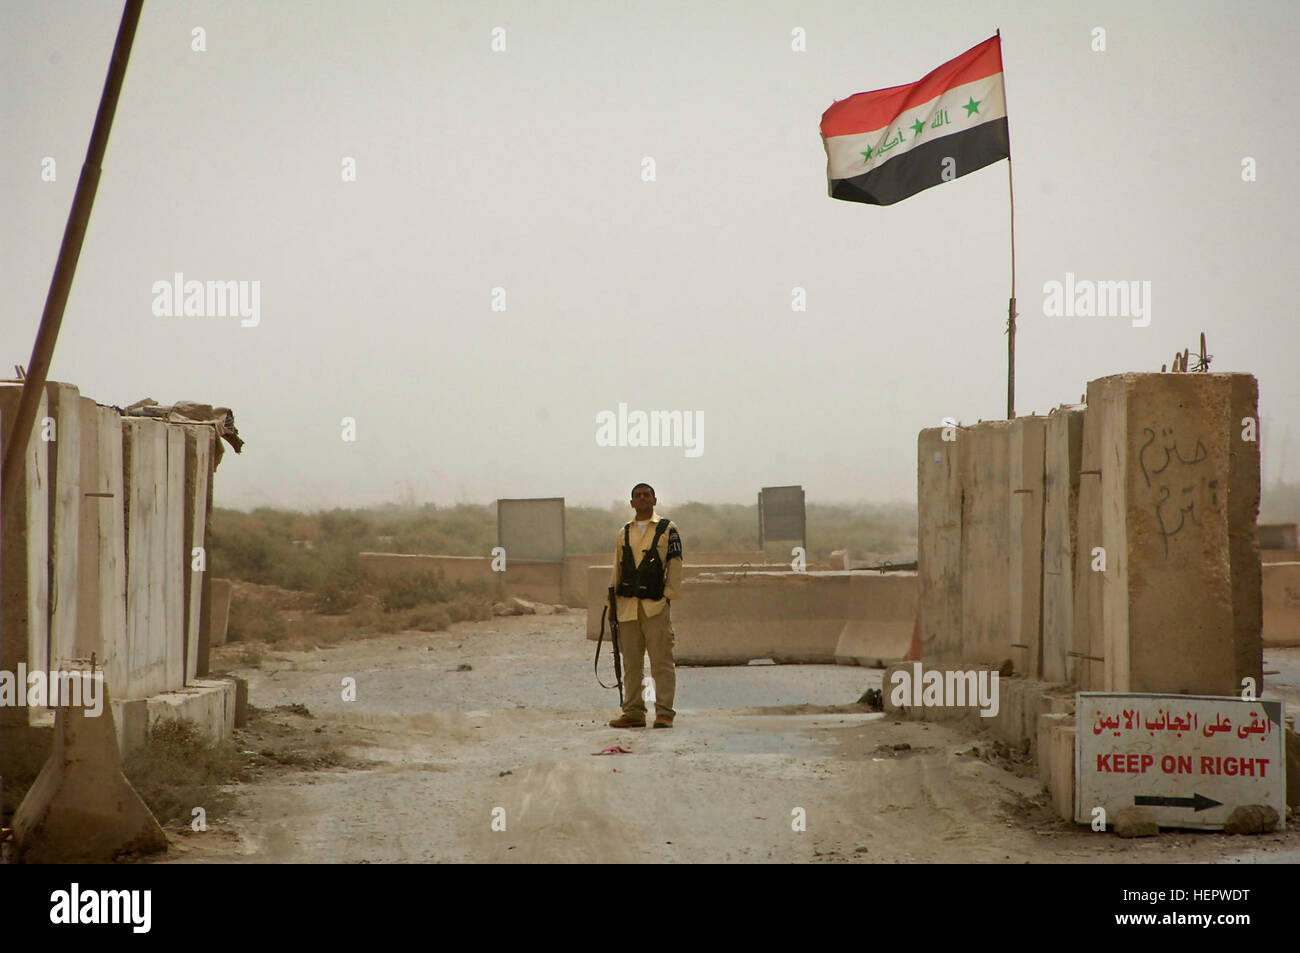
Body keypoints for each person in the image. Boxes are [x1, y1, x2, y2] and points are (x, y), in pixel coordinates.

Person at [608, 483, 683, 729]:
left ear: (654, 499)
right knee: (631, 663)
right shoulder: (624, 532)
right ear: (631, 503)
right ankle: (633, 712)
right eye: (637, 496)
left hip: (655, 606)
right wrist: (611, 603)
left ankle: (664, 713)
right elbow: (618, 567)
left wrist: (668, 596)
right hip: (627, 606)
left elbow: (675, 563)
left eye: (646, 495)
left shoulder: (667, 529)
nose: (642, 499)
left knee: (661, 661)